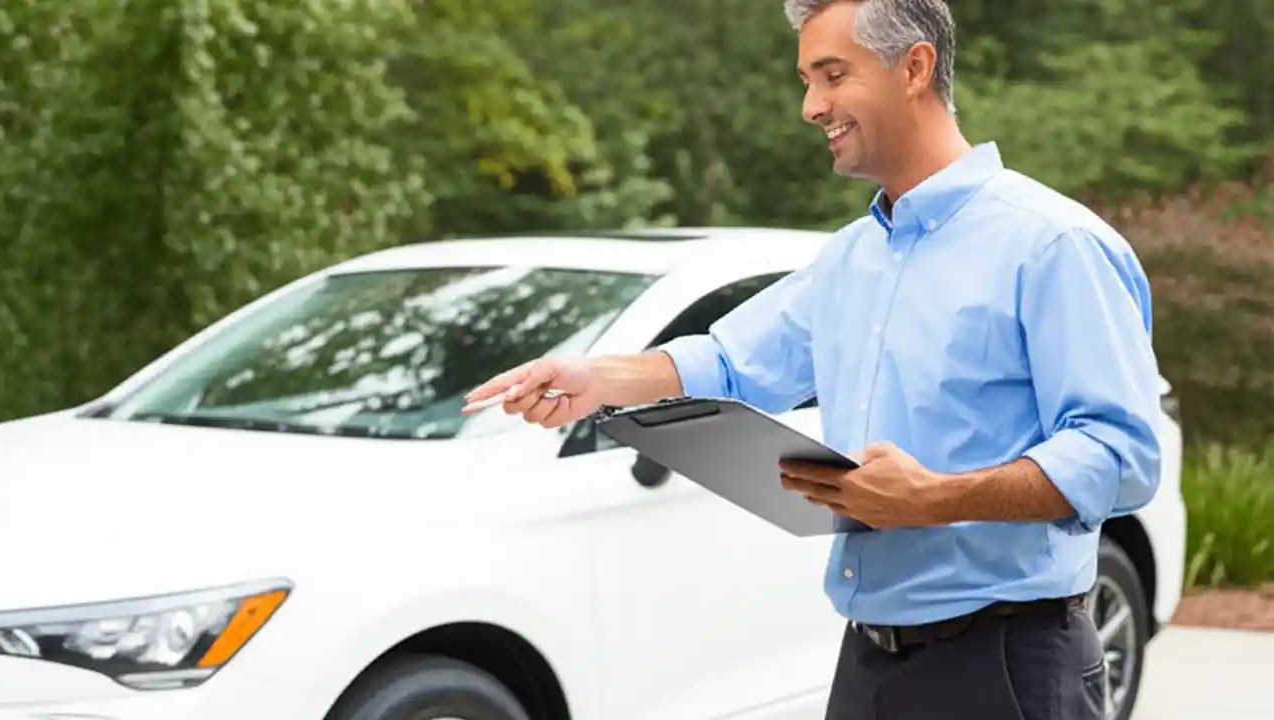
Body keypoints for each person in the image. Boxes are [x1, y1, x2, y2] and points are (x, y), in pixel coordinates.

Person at [463, 0, 1162, 718]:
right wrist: (595, 379)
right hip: (868, 663)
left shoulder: (1052, 245)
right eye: (806, 79)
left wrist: (937, 499)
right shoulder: (853, 257)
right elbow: (732, 359)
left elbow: (1120, 454)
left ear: (914, 67)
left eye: (832, 76)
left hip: (1006, 668)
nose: (810, 106)